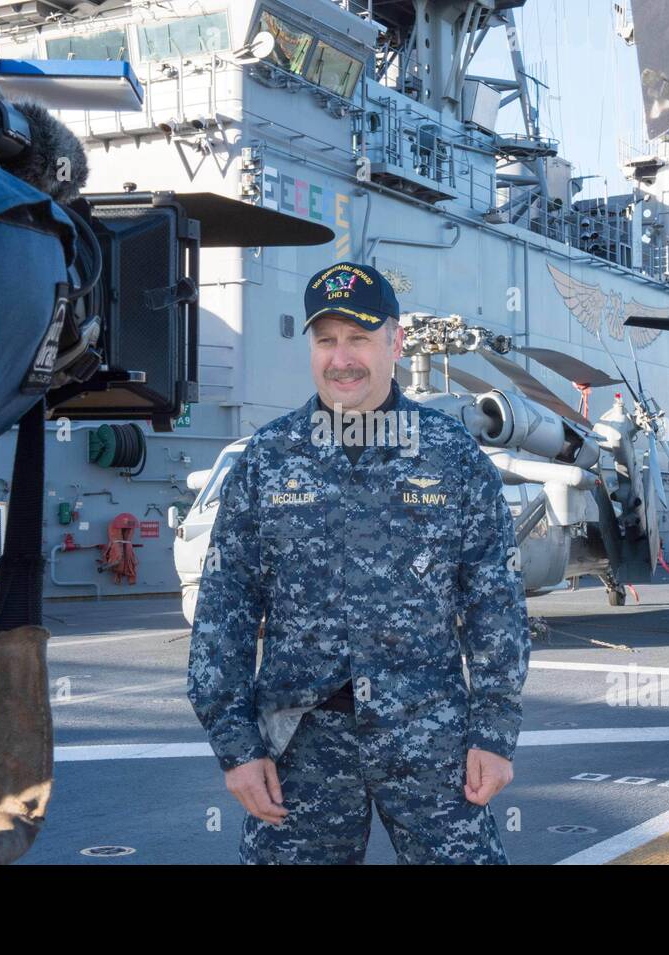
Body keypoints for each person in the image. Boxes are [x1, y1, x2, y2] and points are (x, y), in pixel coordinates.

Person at [186, 261, 530, 864]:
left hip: (430, 740)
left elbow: (494, 603)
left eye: (360, 338)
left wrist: (494, 734)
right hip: (299, 747)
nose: (341, 358)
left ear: (394, 343)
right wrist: (237, 748)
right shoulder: (267, 460)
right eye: (327, 340)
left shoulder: (451, 455)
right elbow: (225, 609)